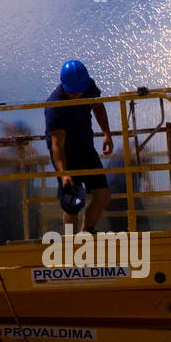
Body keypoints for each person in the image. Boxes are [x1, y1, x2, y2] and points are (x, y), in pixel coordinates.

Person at [44, 59, 114, 233]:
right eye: (74, 92)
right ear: (65, 86)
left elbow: (98, 106)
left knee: (103, 195)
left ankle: (86, 232)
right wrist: (64, 172)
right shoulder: (55, 106)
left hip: (86, 148)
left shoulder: (87, 86)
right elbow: (57, 145)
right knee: (71, 202)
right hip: (65, 155)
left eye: (81, 90)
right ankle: (70, 243)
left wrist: (106, 133)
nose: (79, 94)